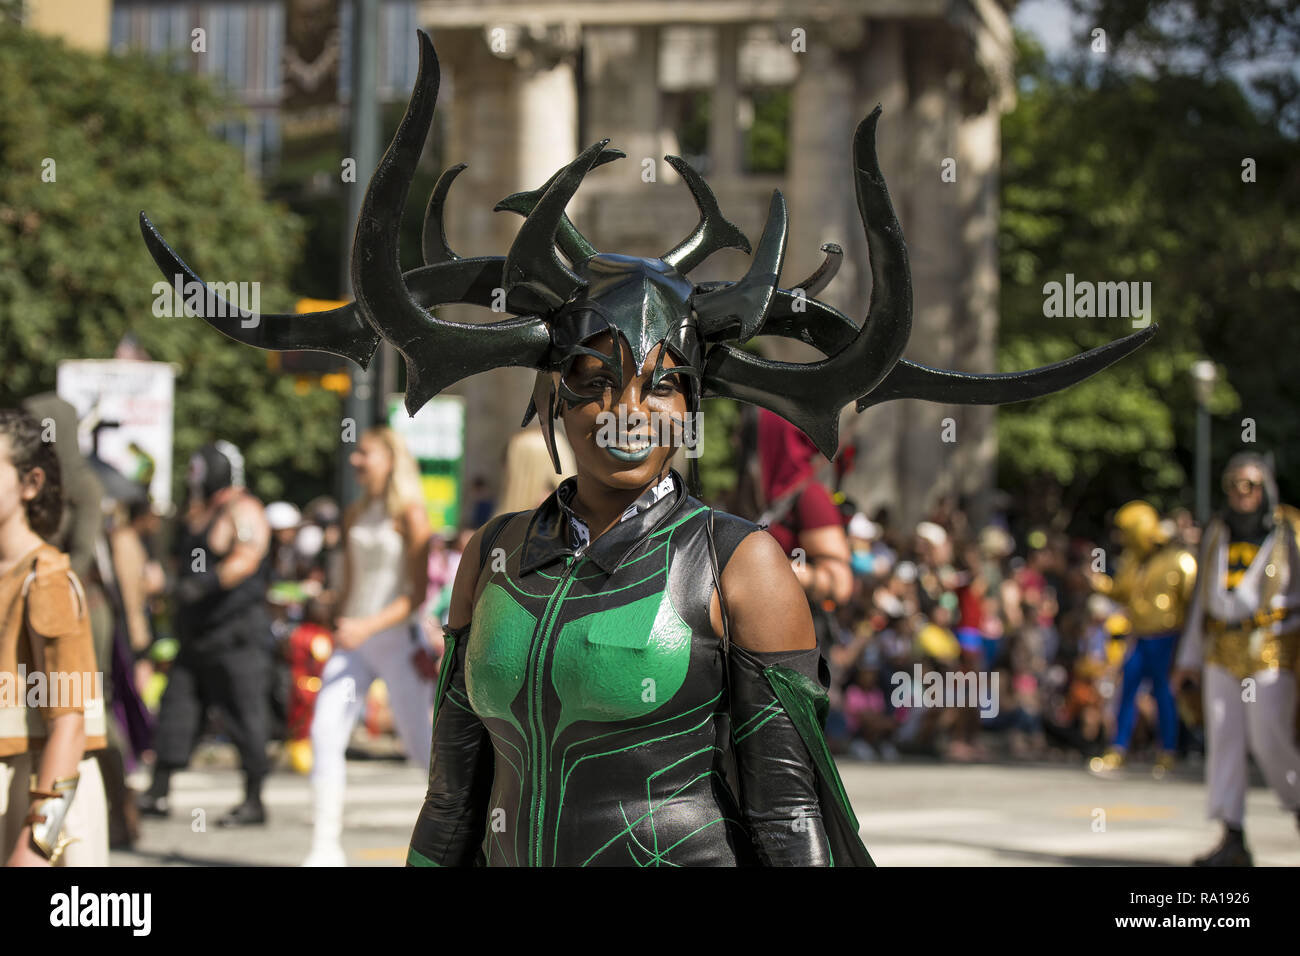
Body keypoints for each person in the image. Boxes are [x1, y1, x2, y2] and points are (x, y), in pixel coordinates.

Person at [140, 29, 1152, 865]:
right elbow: (451, 807)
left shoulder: (743, 564)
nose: (626, 407)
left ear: (691, 403)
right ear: (556, 397)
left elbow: (786, 817)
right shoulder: (490, 557)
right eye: (592, 378)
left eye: (662, 381)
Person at [302, 425, 433, 867]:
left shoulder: (412, 516)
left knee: (423, 748)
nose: (356, 461)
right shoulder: (356, 512)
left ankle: (462, 842)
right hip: (353, 643)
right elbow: (352, 583)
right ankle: (324, 849)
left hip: (395, 641)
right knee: (324, 733)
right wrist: (332, 608)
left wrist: (365, 625)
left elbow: (415, 595)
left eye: (366, 454)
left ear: (390, 460)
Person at [138, 441, 274, 826]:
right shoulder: (196, 513)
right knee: (176, 709)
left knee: (245, 715)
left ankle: (253, 800)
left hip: (235, 635)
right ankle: (157, 792)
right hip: (195, 636)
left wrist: (206, 583)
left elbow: (247, 557)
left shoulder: (242, 508)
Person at [1175, 453, 1300, 865]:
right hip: (1219, 649)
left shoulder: (1290, 530)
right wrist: (1188, 658)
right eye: (1233, 486)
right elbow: (1201, 602)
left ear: (1264, 488)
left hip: (1272, 645)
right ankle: (1232, 835)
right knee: (1224, 741)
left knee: (1270, 738)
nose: (1240, 494)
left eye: (1249, 485)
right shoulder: (1217, 532)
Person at [0, 409, 109, 866]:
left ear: (31, 484)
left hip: (35, 796)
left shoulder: (46, 580)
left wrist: (36, 844)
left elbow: (70, 723)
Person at [1090, 500, 1196, 776]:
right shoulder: (1132, 562)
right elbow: (1122, 594)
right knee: (1128, 691)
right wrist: (1100, 584)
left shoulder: (1179, 561)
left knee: (1164, 694)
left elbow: (1190, 605)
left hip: (1166, 638)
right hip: (1139, 637)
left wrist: (1186, 645)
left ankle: (1167, 752)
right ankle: (1118, 748)